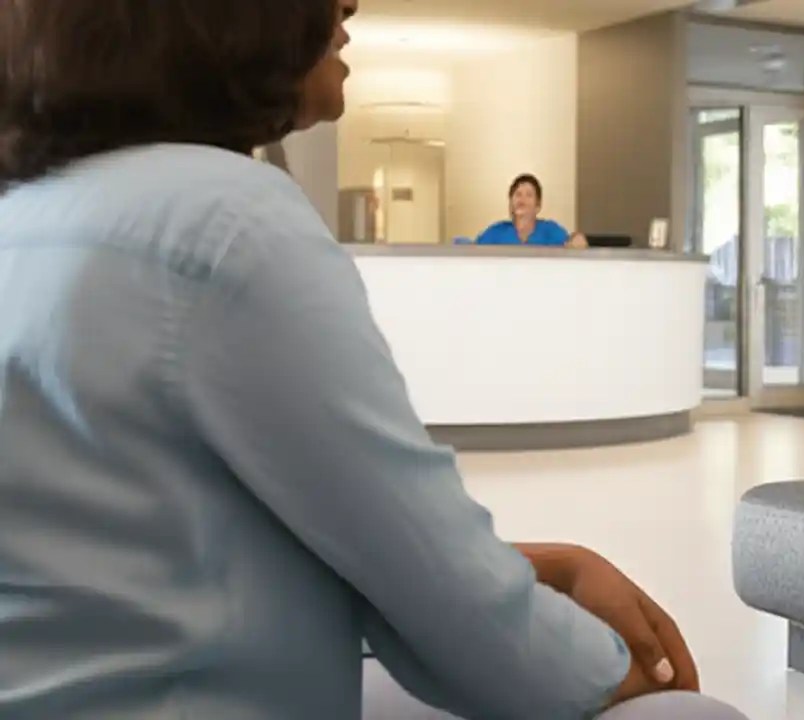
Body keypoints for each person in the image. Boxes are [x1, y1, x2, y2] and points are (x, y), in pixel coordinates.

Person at [0, 2, 746, 720]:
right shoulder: (229, 222)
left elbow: (180, 559)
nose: (351, 4)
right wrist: (629, 671)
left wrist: (543, 565)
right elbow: (475, 629)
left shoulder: (31, 213)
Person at [475, 174, 589, 248]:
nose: (522, 200)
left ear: (538, 206)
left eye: (528, 195)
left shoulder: (550, 230)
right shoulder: (496, 232)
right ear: (510, 203)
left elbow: (572, 243)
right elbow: (470, 250)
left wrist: (577, 239)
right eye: (518, 194)